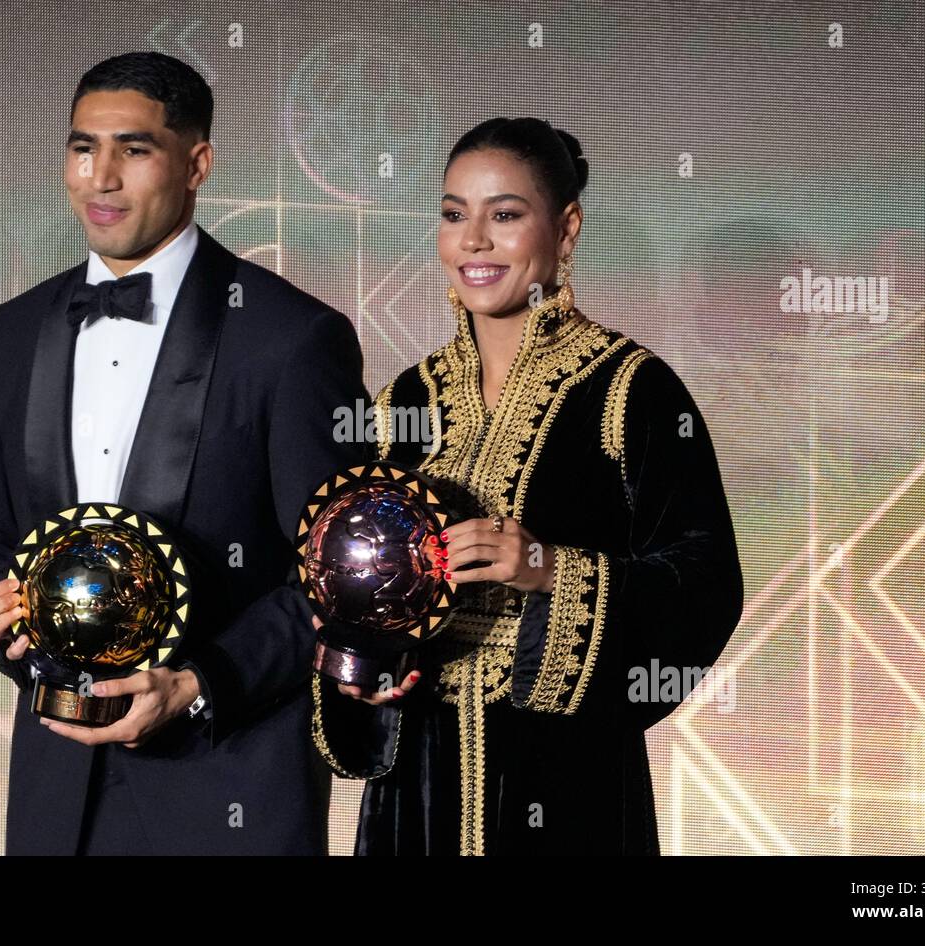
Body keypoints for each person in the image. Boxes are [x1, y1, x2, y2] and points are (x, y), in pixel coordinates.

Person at [0, 51, 369, 855]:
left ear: (197, 163)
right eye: (82, 148)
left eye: (133, 150)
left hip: (230, 787)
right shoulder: (9, 334)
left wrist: (199, 684)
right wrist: (0, 613)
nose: (100, 177)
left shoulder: (292, 338)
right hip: (56, 792)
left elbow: (338, 577)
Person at [311, 117, 744, 855]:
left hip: (567, 780)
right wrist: (359, 669)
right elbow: (349, 583)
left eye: (504, 215)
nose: (472, 241)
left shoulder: (630, 391)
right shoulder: (400, 404)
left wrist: (548, 571)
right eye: (454, 215)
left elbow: (705, 582)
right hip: (417, 787)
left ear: (566, 228)